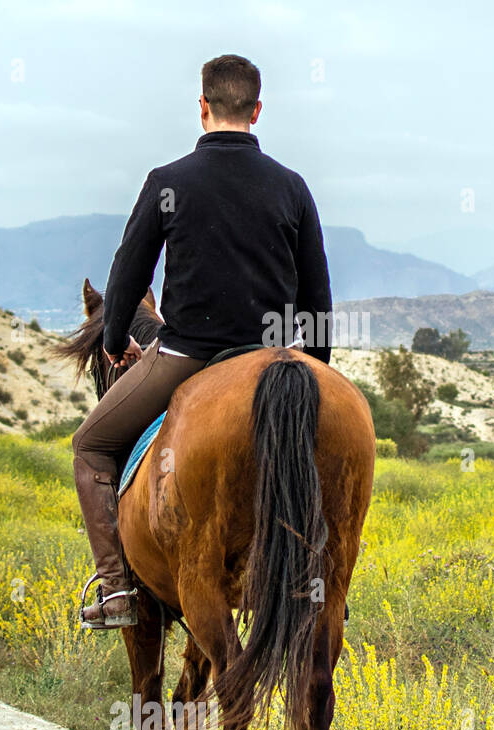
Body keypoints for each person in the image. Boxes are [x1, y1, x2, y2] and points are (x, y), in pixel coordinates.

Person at [75, 53, 333, 629]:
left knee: (90, 447)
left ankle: (117, 591)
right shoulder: (292, 188)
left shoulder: (168, 182)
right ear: (257, 110)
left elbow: (128, 275)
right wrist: (312, 375)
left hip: (185, 356)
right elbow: (318, 298)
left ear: (203, 107)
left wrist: (116, 339)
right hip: (274, 357)